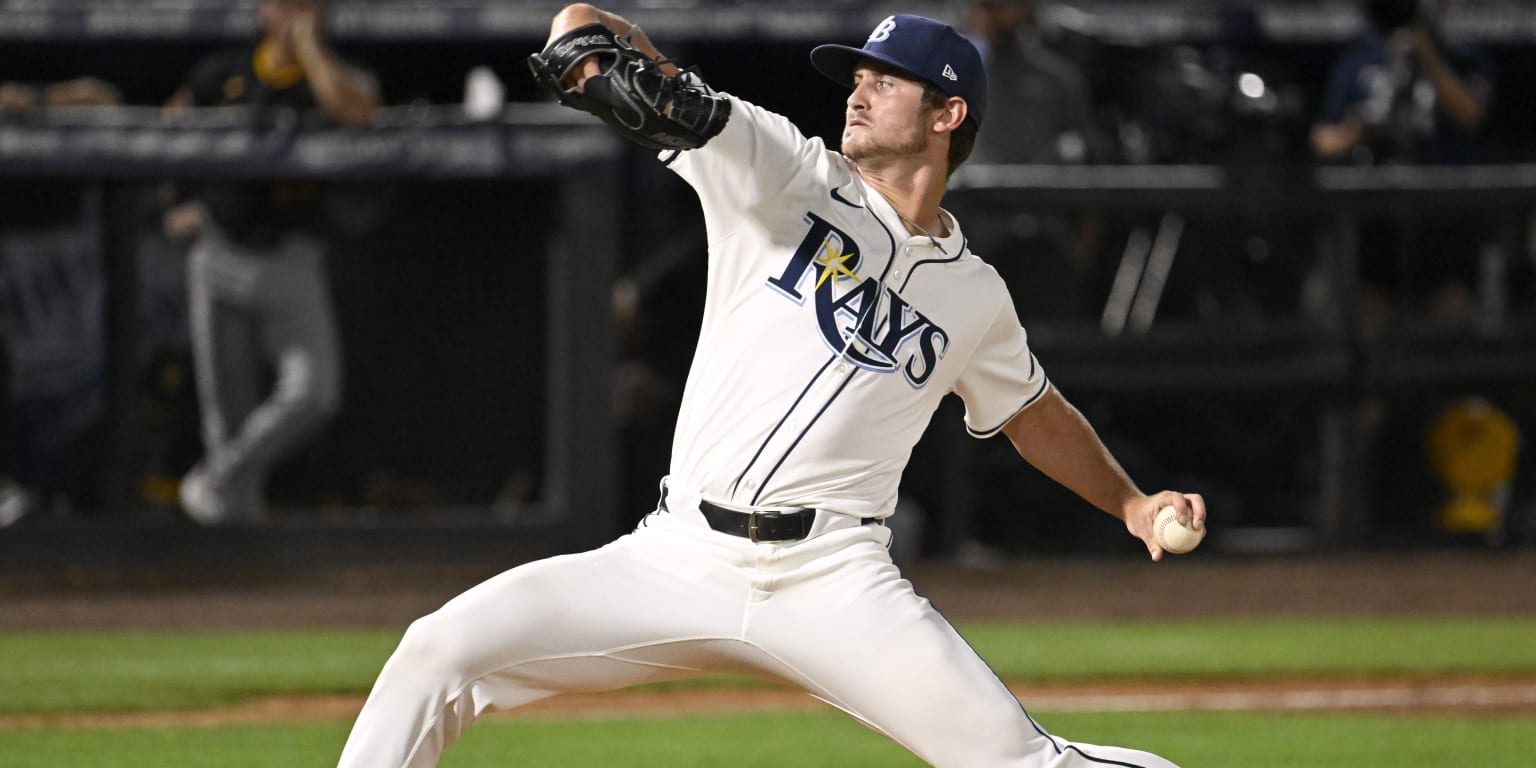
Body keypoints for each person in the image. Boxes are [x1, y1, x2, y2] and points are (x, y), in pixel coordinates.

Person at [338, 6, 1205, 767]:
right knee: (437, 652)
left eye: (887, 81)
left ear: (949, 114)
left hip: (834, 578)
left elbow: (1033, 412)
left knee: (1021, 763)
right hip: (675, 556)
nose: (858, 93)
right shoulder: (783, 169)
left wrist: (1132, 505)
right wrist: (612, 56)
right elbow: (583, 27)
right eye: (856, 76)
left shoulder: (975, 294)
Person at [164, 0, 377, 524]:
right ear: (262, 11)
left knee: (315, 393)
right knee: (225, 419)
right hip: (219, 250)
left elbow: (356, 111)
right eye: (285, 3)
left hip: (290, 255)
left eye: (309, 4)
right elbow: (166, 133)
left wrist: (308, 49)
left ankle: (216, 482)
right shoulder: (223, 73)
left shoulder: (336, 76)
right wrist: (179, 203)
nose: (295, 13)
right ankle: (235, 567)